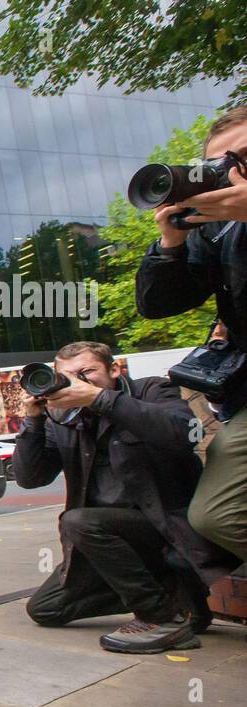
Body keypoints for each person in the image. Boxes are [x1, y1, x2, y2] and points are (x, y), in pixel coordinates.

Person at [12, 342, 237, 654]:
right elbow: (30, 477)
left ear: (114, 370)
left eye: (86, 372)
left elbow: (185, 434)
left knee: (78, 520)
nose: (78, 381)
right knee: (46, 609)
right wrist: (34, 419)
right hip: (109, 540)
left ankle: (163, 619)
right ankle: (173, 597)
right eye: (67, 376)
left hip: (165, 529)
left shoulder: (153, 391)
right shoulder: (63, 418)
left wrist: (101, 399)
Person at [136, 106, 247, 566]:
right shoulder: (215, 228)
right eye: (217, 165)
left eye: (240, 158)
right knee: (217, 514)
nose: (228, 172)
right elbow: (157, 305)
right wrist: (171, 242)